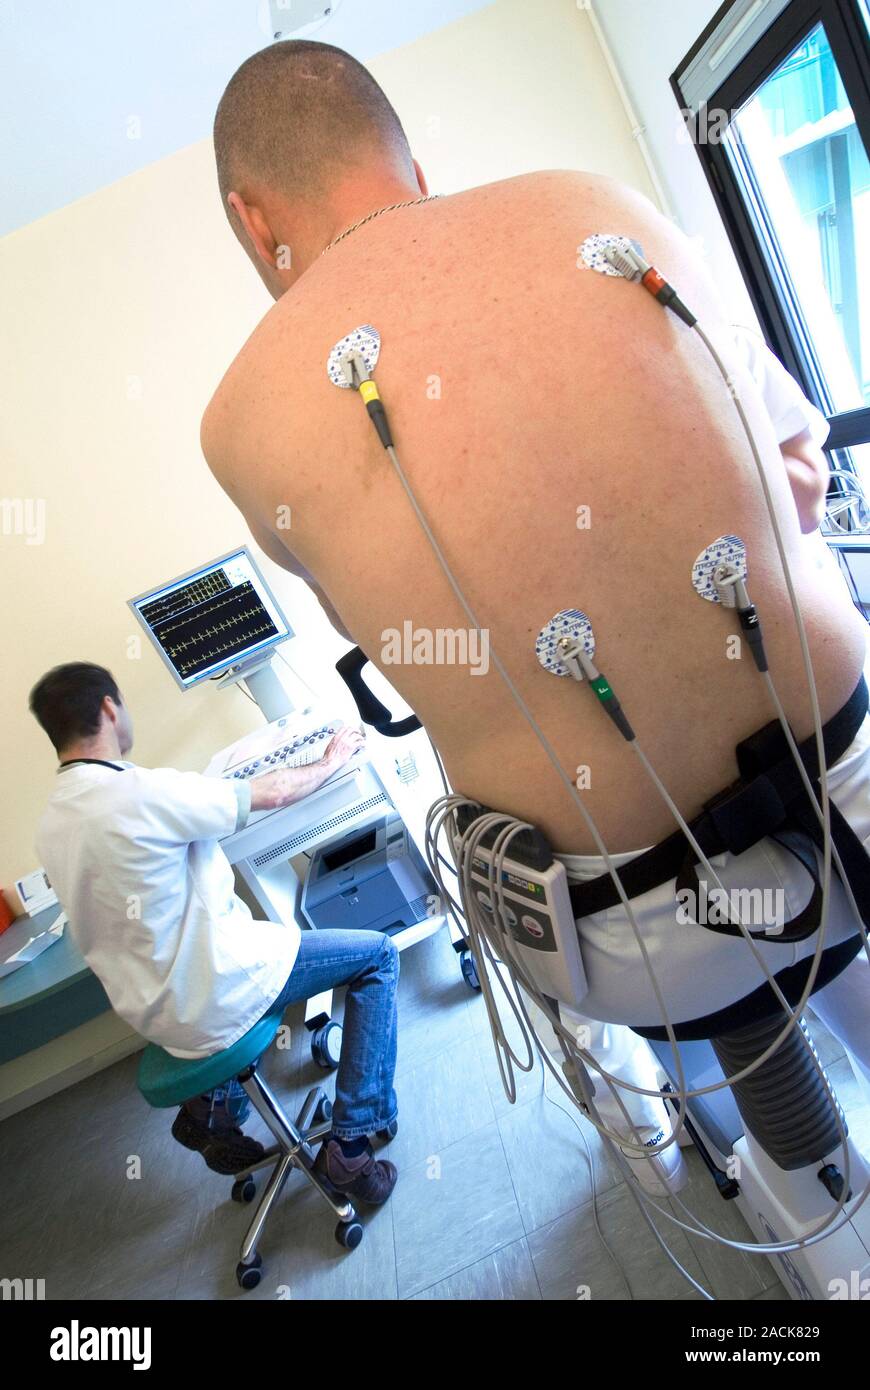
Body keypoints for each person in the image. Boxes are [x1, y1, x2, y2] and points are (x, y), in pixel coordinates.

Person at [200, 45, 869, 1145]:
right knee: (812, 955)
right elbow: (794, 466)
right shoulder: (599, 204)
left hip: (628, 922)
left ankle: (679, 1147)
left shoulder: (239, 425)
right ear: (410, 159)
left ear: (252, 221)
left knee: (717, 1036)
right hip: (847, 771)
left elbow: (387, 633)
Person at [30, 662, 399, 1203]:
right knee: (379, 957)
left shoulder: (52, 824)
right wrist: (330, 759)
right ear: (110, 708)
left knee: (217, 960)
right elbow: (269, 793)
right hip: (221, 991)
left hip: (158, 1017)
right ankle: (350, 1147)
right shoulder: (139, 793)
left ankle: (212, 1106)